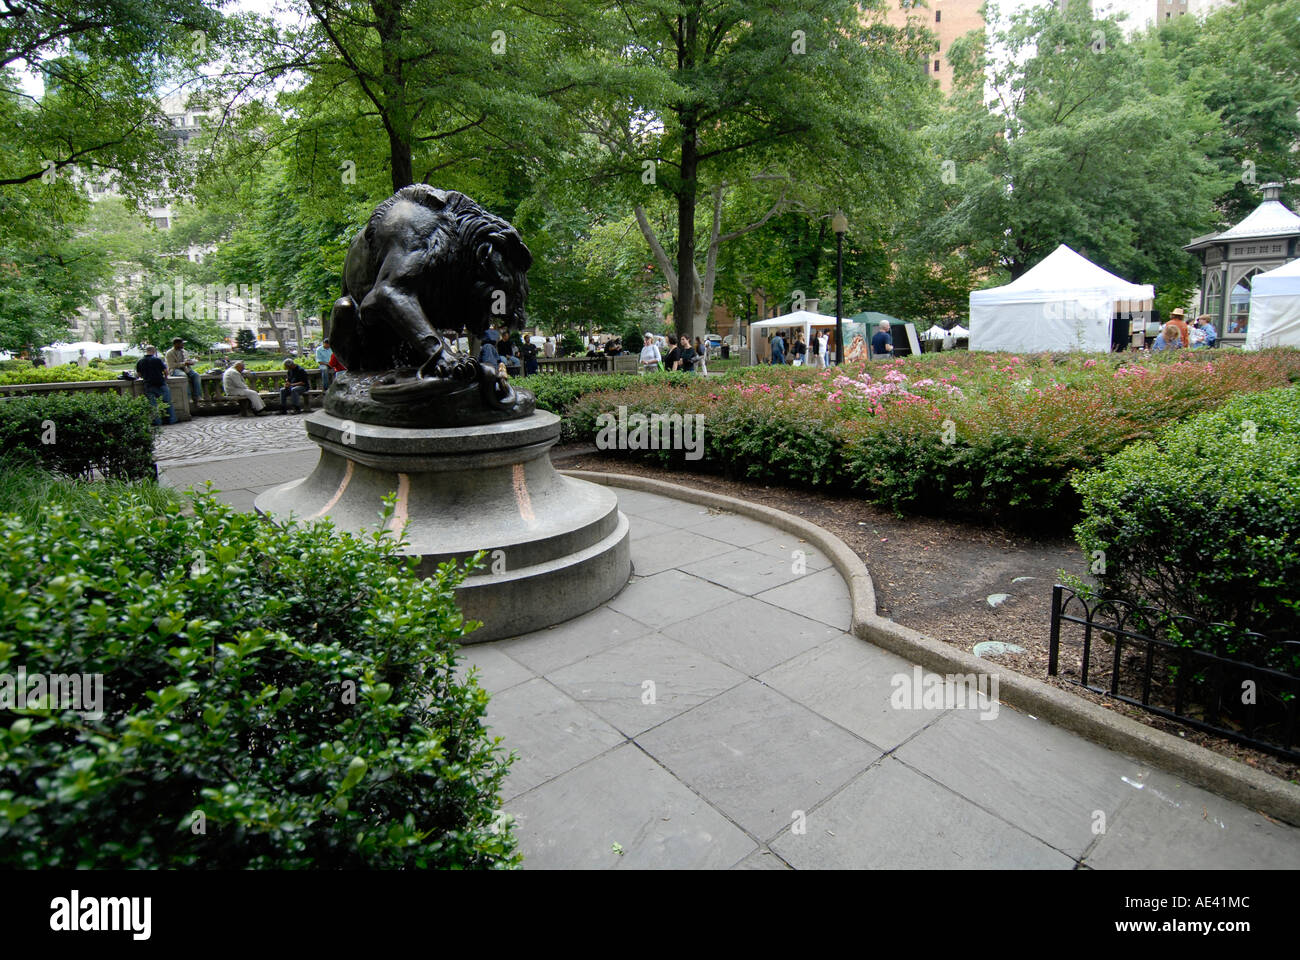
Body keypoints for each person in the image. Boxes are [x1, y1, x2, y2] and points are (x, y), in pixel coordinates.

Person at [135, 345, 176, 425]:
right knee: (167, 402)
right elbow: (165, 371)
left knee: (153, 405)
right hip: (160, 383)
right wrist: (166, 378)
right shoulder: (157, 360)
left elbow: (139, 375)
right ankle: (171, 420)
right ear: (154, 351)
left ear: (146, 351)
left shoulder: (140, 361)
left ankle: (157, 422)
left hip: (148, 384)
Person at [164, 338, 203, 402]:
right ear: (176, 344)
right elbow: (171, 365)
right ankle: (188, 397)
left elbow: (187, 360)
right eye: (182, 344)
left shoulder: (184, 351)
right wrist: (184, 364)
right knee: (183, 376)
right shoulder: (169, 353)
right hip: (174, 370)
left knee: (196, 375)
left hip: (186, 368)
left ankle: (198, 396)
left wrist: (191, 362)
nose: (183, 345)